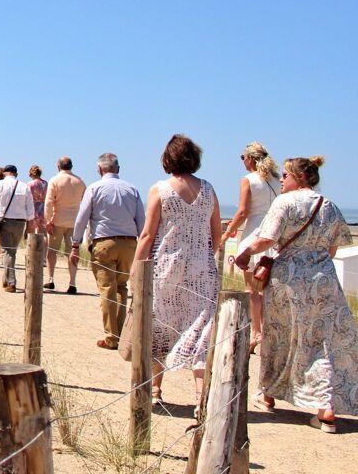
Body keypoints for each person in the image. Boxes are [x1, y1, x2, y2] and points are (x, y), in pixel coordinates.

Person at [233, 156, 357, 434]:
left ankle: (268, 395)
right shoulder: (330, 206)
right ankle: (326, 408)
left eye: (286, 176)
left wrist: (245, 253)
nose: (281, 180)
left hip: (288, 280)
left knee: (280, 336)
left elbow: (266, 239)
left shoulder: (284, 203)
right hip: (323, 280)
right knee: (321, 342)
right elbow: (333, 249)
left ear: (300, 177)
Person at [133, 135, 220, 405]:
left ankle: (155, 390)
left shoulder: (160, 189)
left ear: (168, 159)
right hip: (202, 270)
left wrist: (136, 269)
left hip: (166, 266)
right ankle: (200, 396)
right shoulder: (208, 190)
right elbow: (216, 233)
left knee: (161, 326)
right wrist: (204, 255)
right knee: (201, 331)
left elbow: (147, 235)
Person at [73, 153, 145, 350]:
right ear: (118, 169)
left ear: (99, 170)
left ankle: (112, 337)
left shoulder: (94, 188)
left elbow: (81, 219)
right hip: (129, 244)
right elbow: (141, 221)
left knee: (107, 290)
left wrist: (75, 244)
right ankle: (120, 334)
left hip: (104, 243)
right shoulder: (132, 189)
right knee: (121, 288)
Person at [221, 141, 279, 350]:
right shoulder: (276, 181)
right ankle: (266, 332)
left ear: (251, 159)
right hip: (272, 234)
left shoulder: (248, 180)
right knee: (266, 289)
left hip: (254, 233)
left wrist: (227, 233)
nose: (242, 161)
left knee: (252, 289)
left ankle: (257, 333)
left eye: (242, 157)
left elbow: (243, 211)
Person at [0, 165, 35, 292]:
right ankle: (6, 278)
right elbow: (30, 209)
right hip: (20, 223)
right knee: (12, 251)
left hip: (4, 221)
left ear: (5, 173)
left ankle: (11, 282)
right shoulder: (24, 186)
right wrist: (29, 226)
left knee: (7, 251)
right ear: (15, 174)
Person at [44, 157, 87, 293]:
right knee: (72, 251)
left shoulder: (55, 180)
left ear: (58, 167)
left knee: (52, 250)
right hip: (74, 221)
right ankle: (72, 282)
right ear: (71, 166)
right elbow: (85, 203)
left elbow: (49, 203)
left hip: (58, 219)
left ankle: (50, 279)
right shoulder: (79, 181)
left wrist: (48, 221)